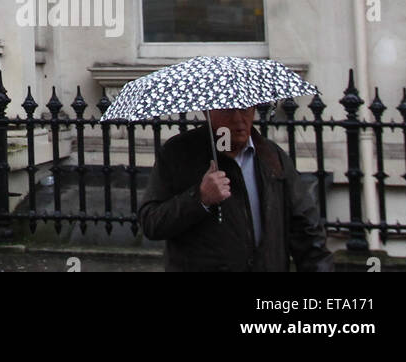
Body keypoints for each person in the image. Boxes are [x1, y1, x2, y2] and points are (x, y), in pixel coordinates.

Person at [138, 105, 334, 272]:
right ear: (208, 112)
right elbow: (151, 222)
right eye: (228, 111)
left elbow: (306, 230)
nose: (239, 119)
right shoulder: (180, 154)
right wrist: (199, 199)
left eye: (245, 109)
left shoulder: (271, 156)